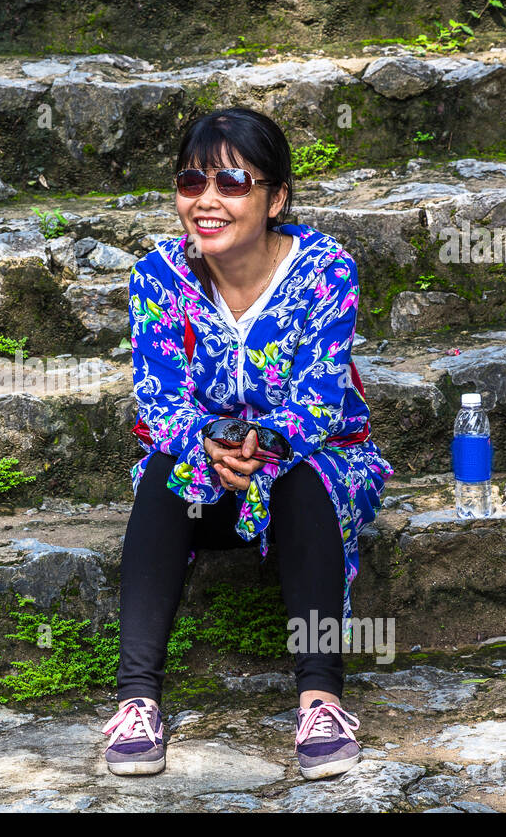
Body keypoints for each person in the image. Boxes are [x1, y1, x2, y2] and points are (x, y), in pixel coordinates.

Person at [104, 107, 395, 780]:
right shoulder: (158, 277)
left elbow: (319, 406)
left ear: (275, 198)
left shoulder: (325, 270)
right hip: (206, 472)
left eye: (231, 182)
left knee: (303, 475)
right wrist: (209, 446)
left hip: (314, 465)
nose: (206, 201)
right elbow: (160, 400)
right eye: (190, 180)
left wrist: (260, 449)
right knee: (163, 474)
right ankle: (136, 700)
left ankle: (321, 699)